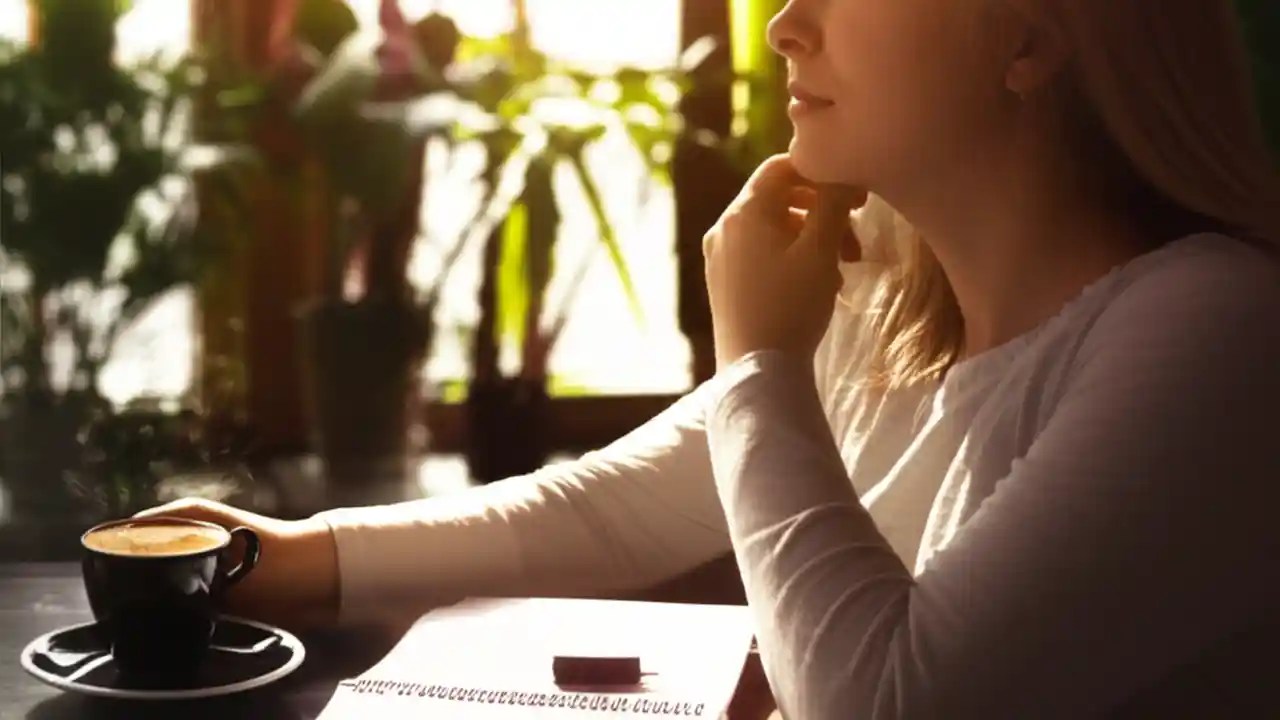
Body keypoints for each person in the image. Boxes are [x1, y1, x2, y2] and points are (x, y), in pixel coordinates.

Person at [144, 0, 1280, 717]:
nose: (787, 24)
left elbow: (881, 702)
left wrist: (755, 361)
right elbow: (615, 508)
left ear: (1027, 39)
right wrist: (293, 553)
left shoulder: (1216, 333)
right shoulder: (886, 306)